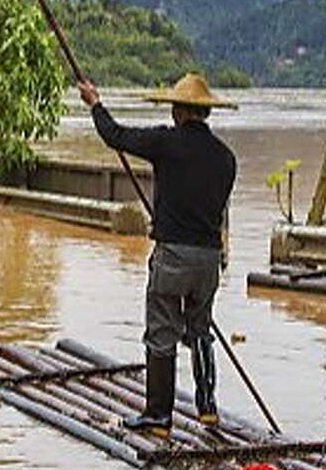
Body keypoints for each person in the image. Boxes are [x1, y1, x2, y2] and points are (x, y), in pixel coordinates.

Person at [80, 71, 238, 438]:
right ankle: (207, 410)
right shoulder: (226, 158)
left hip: (173, 257)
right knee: (200, 331)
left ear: (179, 112)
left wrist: (96, 104)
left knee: (162, 333)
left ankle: (158, 416)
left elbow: (115, 136)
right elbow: (219, 211)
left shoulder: (166, 143)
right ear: (205, 113)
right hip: (209, 259)